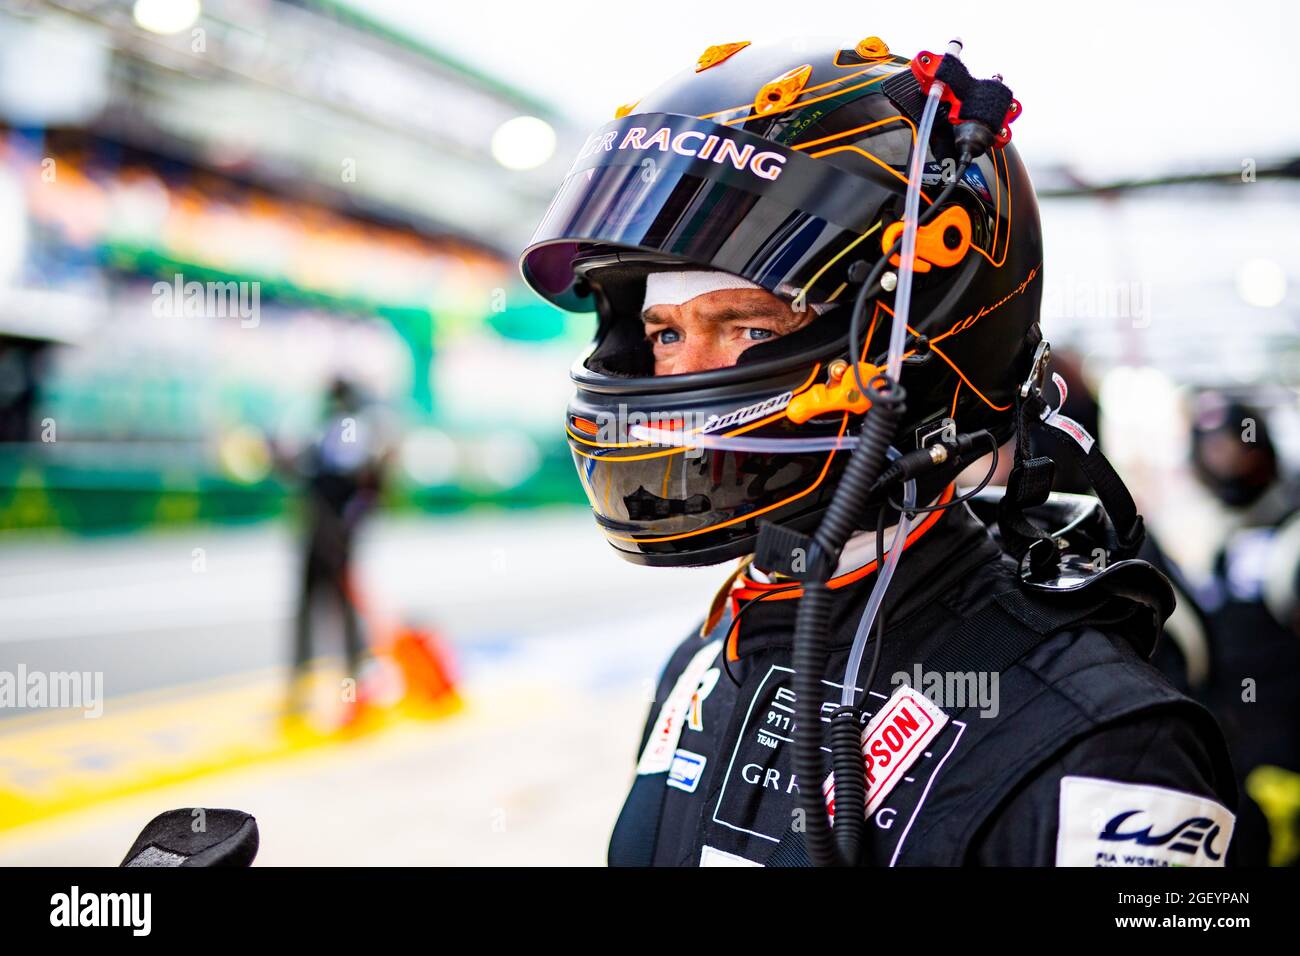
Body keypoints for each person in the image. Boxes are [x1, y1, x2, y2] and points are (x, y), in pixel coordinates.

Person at [521, 35, 1238, 866]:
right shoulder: (711, 653)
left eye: (749, 327)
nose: (684, 374)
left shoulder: (1101, 751)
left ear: (920, 344)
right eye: (665, 333)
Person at [1183, 393, 1300, 866]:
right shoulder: (1197, 533)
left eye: (1237, 444)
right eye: (1212, 449)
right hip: (1235, 759)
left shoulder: (1288, 530)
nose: (1225, 459)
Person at [287, 377, 386, 722]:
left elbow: (356, 485)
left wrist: (342, 528)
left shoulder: (351, 431)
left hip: (334, 534)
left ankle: (356, 691)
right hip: (321, 531)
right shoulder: (331, 431)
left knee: (340, 610)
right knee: (312, 607)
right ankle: (304, 687)